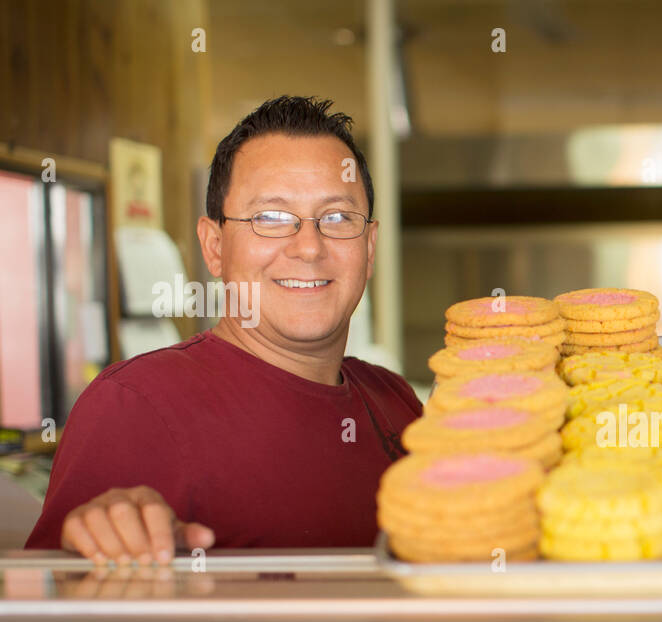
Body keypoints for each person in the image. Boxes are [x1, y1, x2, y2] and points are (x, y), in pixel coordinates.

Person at [25, 96, 423, 562]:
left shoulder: (395, 401)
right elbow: (51, 612)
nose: (309, 247)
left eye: (337, 217)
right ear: (214, 247)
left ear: (370, 247)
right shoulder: (134, 406)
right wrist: (103, 538)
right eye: (270, 218)